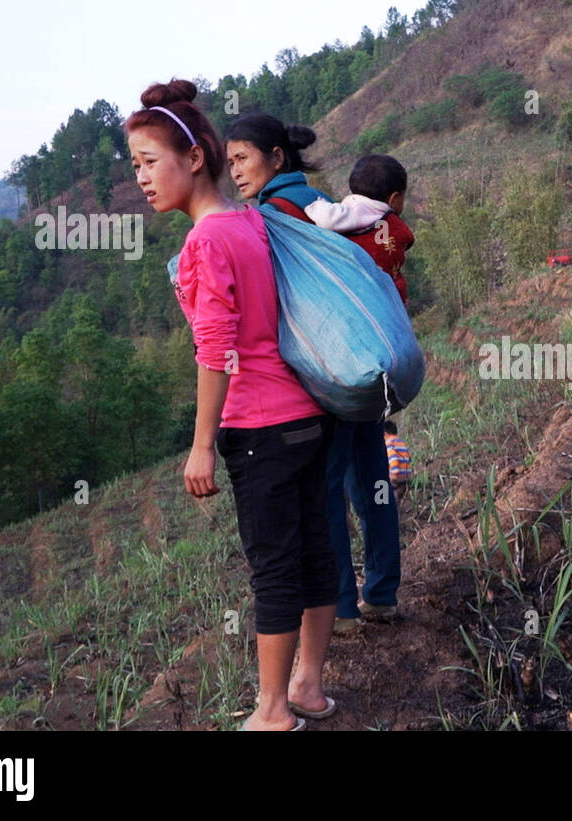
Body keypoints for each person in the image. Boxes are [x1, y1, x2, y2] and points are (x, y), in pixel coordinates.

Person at [125, 80, 338, 730]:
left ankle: (272, 710)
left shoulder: (206, 241)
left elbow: (215, 351)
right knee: (317, 548)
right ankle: (308, 685)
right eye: (134, 166)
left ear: (193, 157)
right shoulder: (251, 219)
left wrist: (199, 444)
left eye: (149, 161)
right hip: (306, 412)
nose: (141, 178)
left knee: (274, 566)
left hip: (260, 429)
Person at [302, 154, 415, 634]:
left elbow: (318, 217)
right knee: (374, 485)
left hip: (338, 374)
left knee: (330, 491)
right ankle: (382, 593)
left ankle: (343, 609)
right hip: (379, 374)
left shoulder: (334, 216)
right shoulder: (393, 231)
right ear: (393, 199)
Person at [304, 154, 414, 306]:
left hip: (352, 295)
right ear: (394, 199)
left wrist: (317, 205)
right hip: (388, 298)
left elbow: (325, 218)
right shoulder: (389, 222)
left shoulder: (346, 212)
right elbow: (406, 239)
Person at [224, 112, 332, 213]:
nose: (235, 174)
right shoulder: (318, 197)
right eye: (231, 163)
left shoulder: (274, 214)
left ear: (277, 157)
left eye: (242, 158)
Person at [384, 420, 412, 499]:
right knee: (395, 495)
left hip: (396, 476)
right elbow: (409, 458)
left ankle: (382, 507)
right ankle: (393, 507)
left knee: (380, 483)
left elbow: (393, 458)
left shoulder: (389, 443)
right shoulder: (401, 442)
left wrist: (394, 472)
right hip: (406, 475)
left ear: (385, 434)